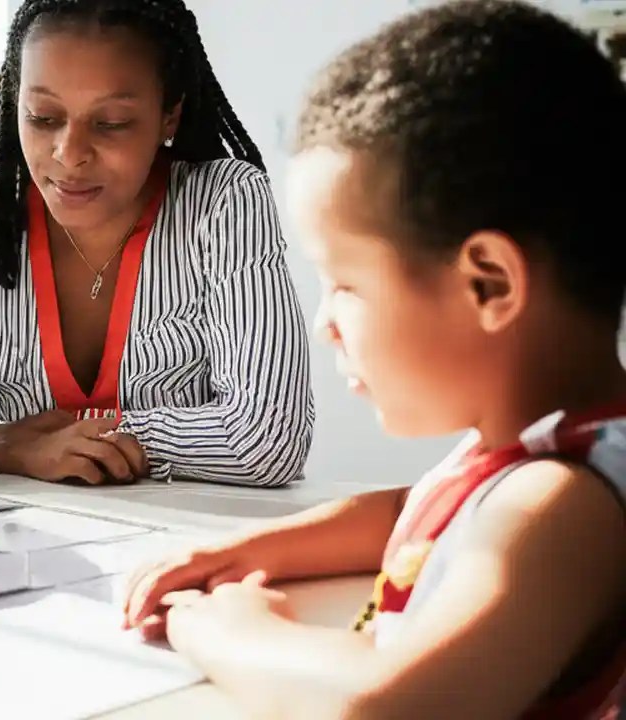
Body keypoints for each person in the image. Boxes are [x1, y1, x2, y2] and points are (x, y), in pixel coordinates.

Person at [121, 2, 626, 717]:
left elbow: (386, 705)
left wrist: (225, 631)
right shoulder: (523, 461)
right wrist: (242, 550)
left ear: (489, 284)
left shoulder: (566, 504)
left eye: (346, 285)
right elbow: (408, 512)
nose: (324, 324)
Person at [0, 0, 314, 554]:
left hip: (194, 546)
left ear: (168, 117)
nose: (70, 153)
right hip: (27, 550)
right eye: (43, 117)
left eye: (111, 123)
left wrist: (60, 446)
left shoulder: (222, 202)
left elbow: (269, 436)